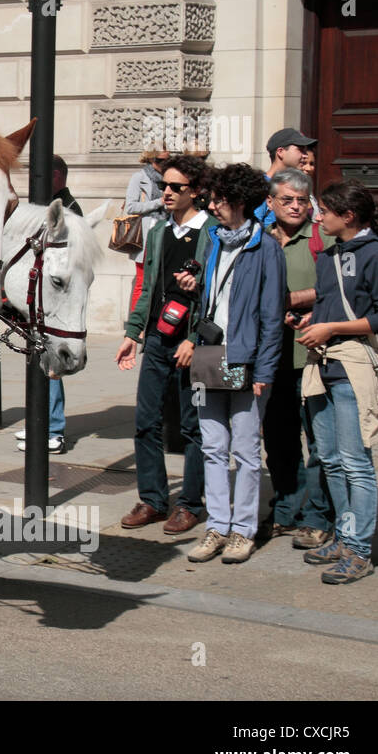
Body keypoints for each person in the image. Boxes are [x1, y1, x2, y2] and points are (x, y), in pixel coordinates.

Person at [294, 180, 378, 584]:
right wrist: (310, 321)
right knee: (332, 461)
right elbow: (329, 301)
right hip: (321, 367)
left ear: (348, 216)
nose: (317, 217)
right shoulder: (329, 255)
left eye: (324, 211)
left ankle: (359, 551)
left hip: (352, 367)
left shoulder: (376, 253)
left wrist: (331, 327)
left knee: (357, 464)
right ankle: (344, 536)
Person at [182, 164, 285, 565]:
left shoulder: (265, 248)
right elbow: (212, 301)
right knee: (212, 445)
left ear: (241, 202)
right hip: (210, 355)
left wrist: (264, 371)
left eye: (220, 199)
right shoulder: (212, 242)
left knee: (244, 450)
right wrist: (195, 289)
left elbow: (272, 317)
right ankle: (216, 527)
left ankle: (243, 531)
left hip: (245, 358)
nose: (213, 204)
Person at [115, 154, 214, 534]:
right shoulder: (157, 233)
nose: (167, 192)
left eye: (176, 187)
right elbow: (148, 290)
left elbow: (215, 294)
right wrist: (132, 333)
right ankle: (154, 500)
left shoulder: (211, 234)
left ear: (197, 192)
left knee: (194, 426)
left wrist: (193, 339)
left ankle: (190, 504)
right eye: (164, 186)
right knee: (145, 422)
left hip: (195, 346)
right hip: (157, 339)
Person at [257, 169, 334, 549]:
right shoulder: (260, 240)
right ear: (270, 204)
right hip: (274, 359)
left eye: (301, 200)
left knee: (320, 441)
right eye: (286, 200)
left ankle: (317, 516)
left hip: (315, 356)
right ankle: (286, 510)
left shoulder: (322, 238)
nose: (295, 206)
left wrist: (295, 300)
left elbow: (336, 287)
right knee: (279, 440)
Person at [18, 156, 80, 454]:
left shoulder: (67, 211)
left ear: (56, 175)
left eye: (37, 174)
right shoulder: (49, 209)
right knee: (39, 362)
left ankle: (53, 428)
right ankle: (39, 421)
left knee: (53, 364)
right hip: (39, 300)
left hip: (56, 305)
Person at [123, 149, 170, 310]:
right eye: (160, 160)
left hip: (165, 231)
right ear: (150, 159)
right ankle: (137, 326)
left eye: (167, 161)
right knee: (142, 281)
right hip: (147, 233)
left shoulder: (169, 179)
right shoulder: (139, 177)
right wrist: (159, 202)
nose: (164, 165)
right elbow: (131, 207)